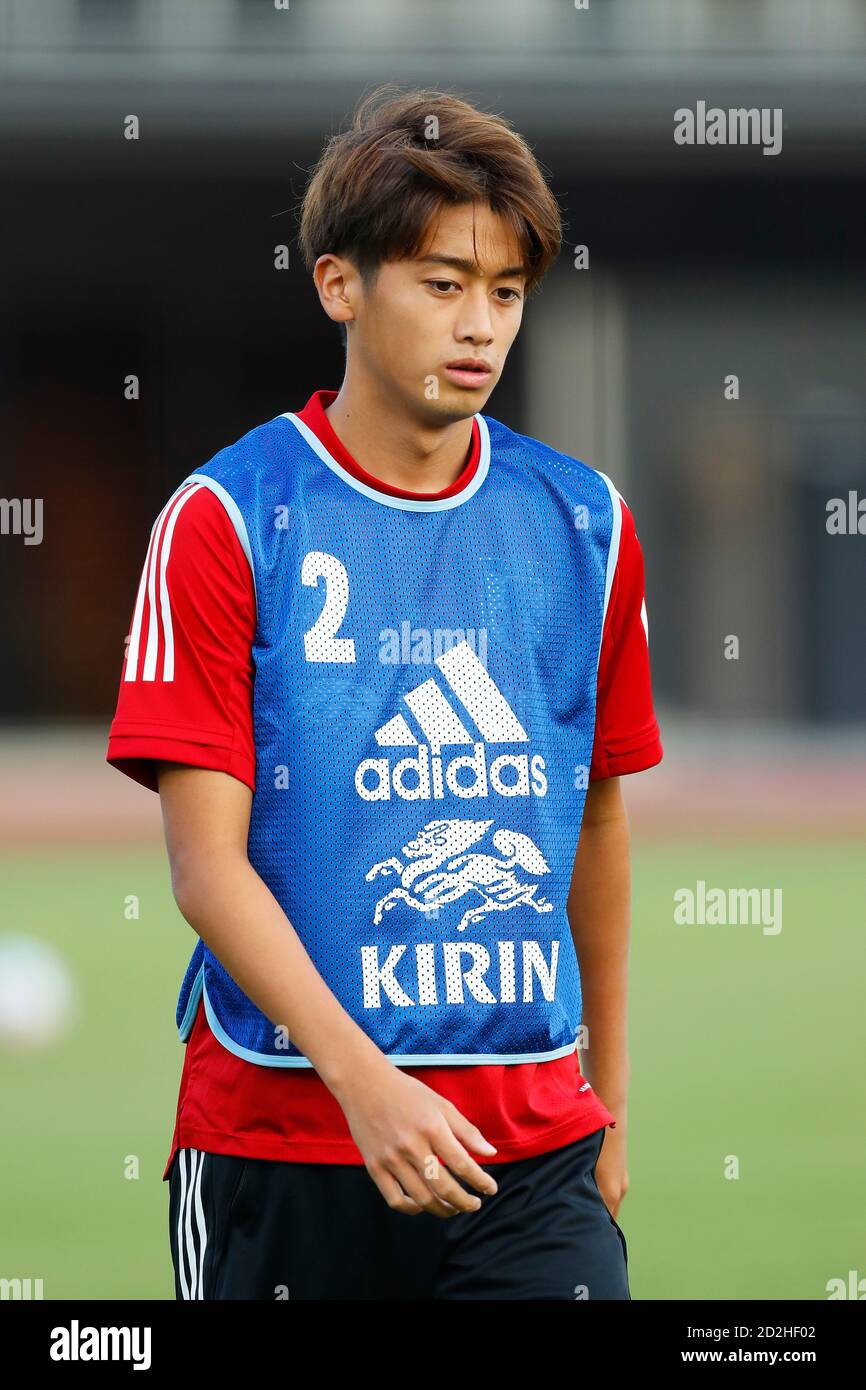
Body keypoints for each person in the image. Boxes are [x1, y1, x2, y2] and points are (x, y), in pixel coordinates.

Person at [106, 83, 663, 1301]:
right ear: (338, 285)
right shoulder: (224, 519)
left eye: (506, 292)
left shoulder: (584, 524)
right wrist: (368, 1087)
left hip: (529, 1157)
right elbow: (207, 868)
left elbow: (598, 818)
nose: (480, 325)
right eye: (442, 282)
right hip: (285, 1145)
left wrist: (606, 1104)